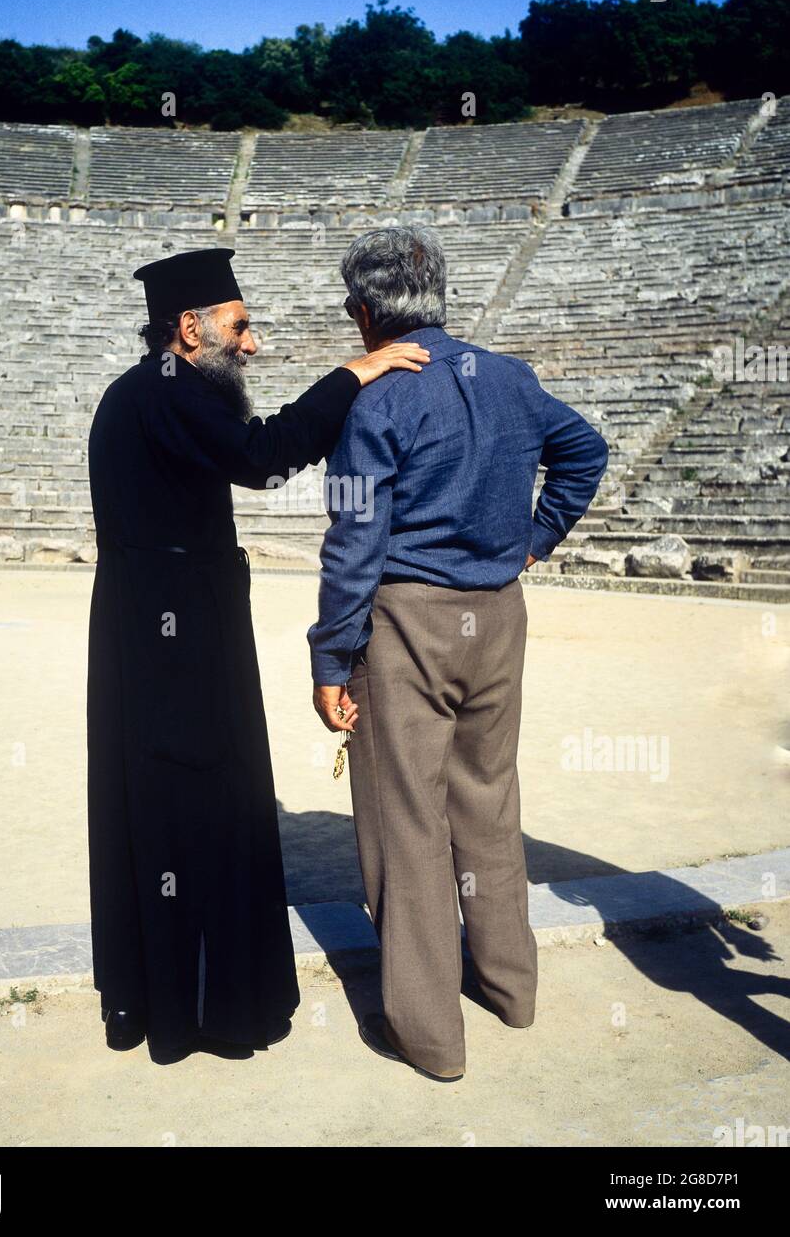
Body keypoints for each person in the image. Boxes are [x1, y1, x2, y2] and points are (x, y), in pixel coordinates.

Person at [86, 246, 430, 1063]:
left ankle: (155, 998)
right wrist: (357, 371)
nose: (253, 343)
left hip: (156, 623)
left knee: (162, 797)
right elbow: (264, 457)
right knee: (202, 797)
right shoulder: (169, 392)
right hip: (179, 635)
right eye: (240, 326)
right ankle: (209, 1007)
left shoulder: (145, 393)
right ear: (187, 328)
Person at [308, 226, 609, 1082]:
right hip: (497, 617)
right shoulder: (511, 376)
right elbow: (585, 451)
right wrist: (537, 538)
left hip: (406, 622)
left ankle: (431, 1035)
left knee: (407, 823)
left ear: (364, 312)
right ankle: (511, 988)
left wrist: (331, 659)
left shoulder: (374, 401)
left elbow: (352, 544)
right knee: (487, 801)